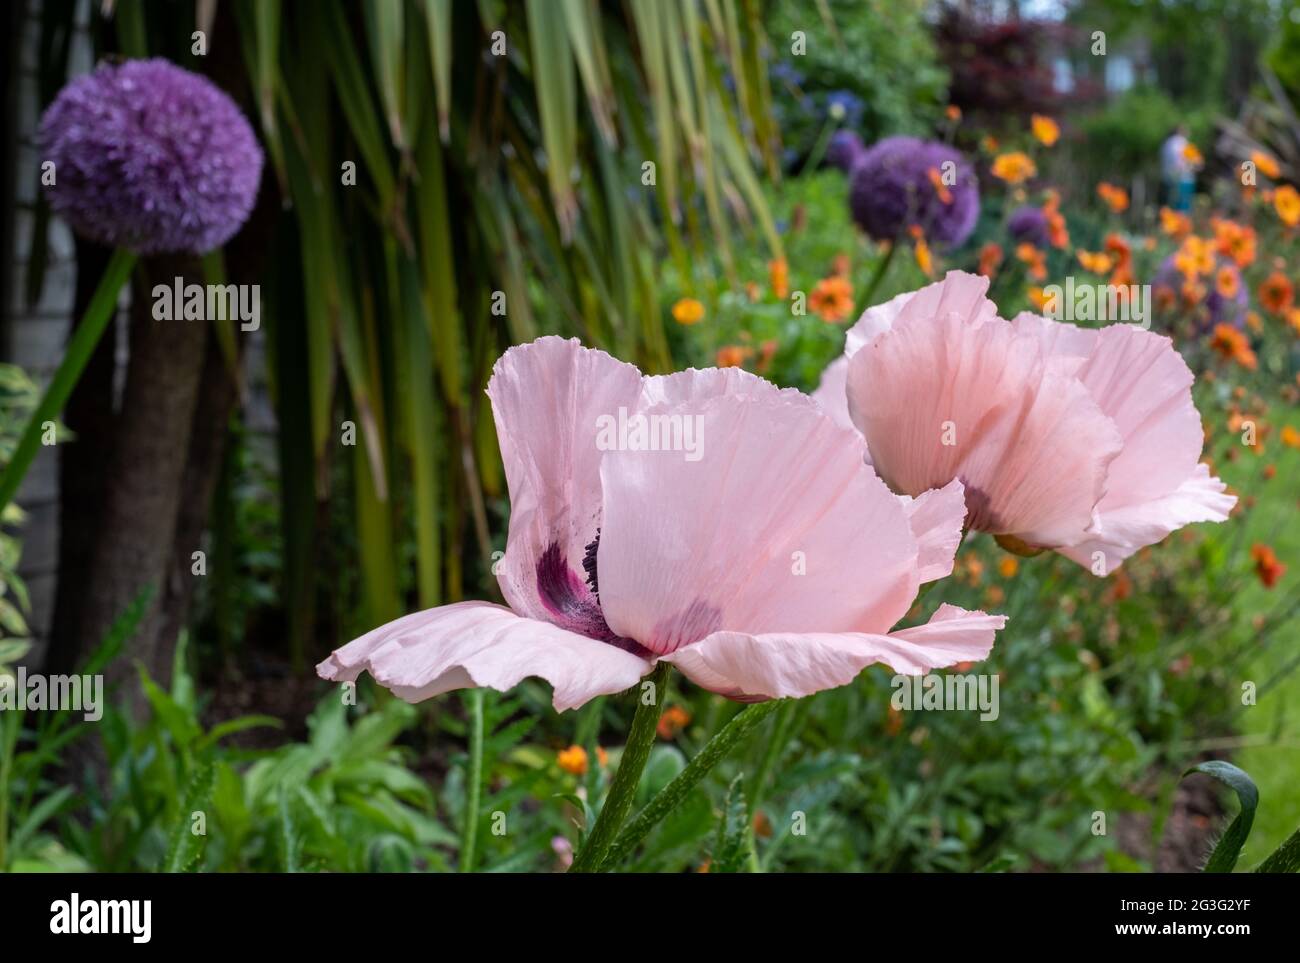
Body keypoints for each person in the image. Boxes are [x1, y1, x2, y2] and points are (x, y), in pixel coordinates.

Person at [1160, 124, 1196, 211]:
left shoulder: (1166, 143)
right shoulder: (1182, 143)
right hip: (1183, 179)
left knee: (1170, 205)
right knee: (1182, 209)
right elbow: (1195, 162)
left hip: (1168, 178)